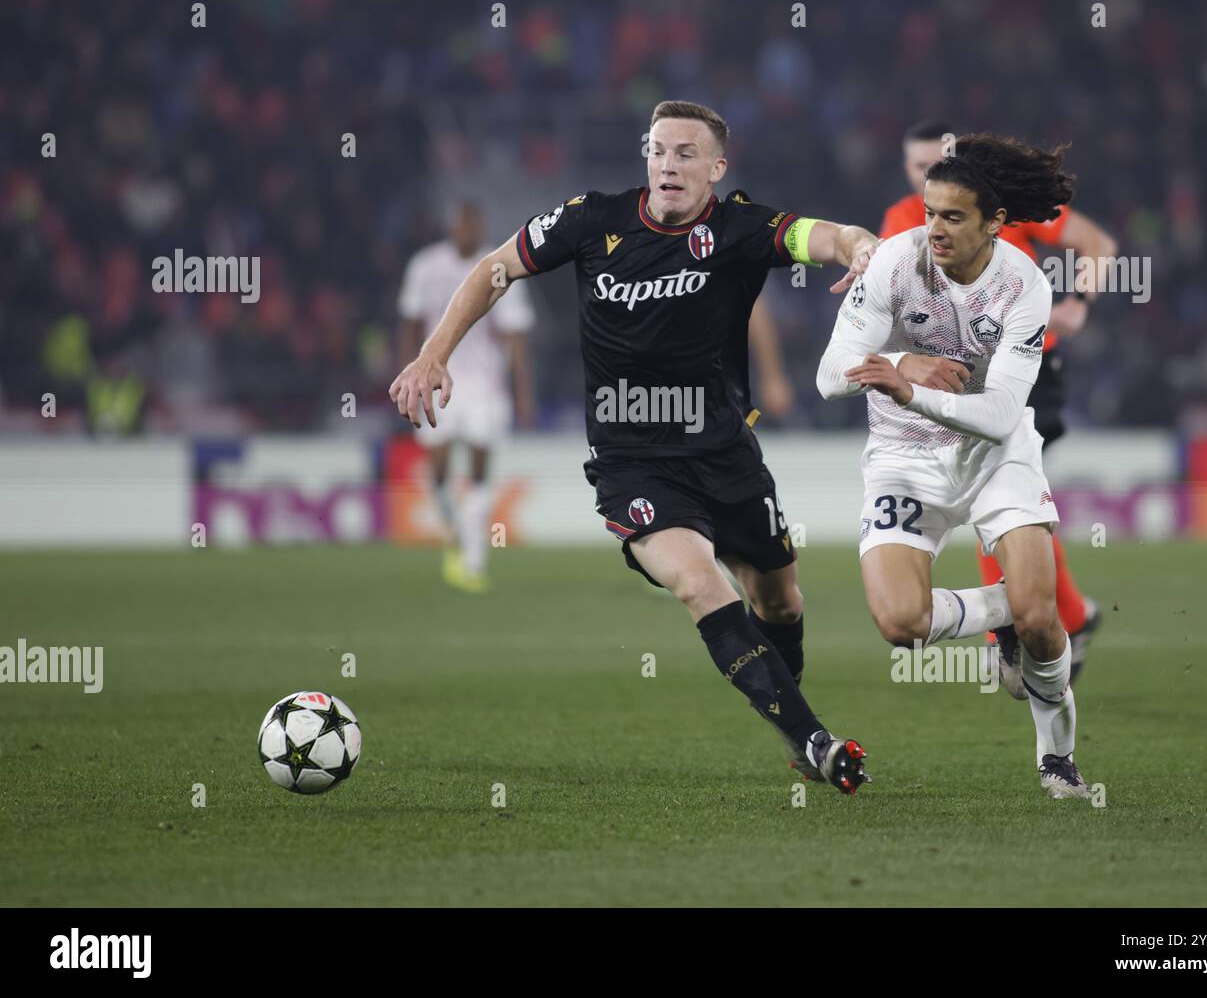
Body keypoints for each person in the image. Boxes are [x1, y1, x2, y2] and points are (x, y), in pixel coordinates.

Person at [390, 101, 881, 793]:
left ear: (717, 167)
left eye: (686, 153)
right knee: (695, 579)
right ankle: (813, 739)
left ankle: (787, 709)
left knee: (781, 601)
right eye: (658, 150)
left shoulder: (738, 227)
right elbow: (496, 268)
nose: (669, 165)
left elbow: (823, 236)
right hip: (632, 462)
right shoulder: (592, 219)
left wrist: (861, 246)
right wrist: (433, 353)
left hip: (724, 454)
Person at [817, 133, 1089, 799]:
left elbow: (999, 415)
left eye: (952, 216)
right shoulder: (892, 263)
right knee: (900, 623)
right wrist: (904, 366)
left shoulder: (1025, 285)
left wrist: (916, 390)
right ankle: (1011, 611)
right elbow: (828, 377)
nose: (932, 228)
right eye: (929, 211)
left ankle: (1057, 757)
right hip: (903, 458)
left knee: (1042, 625)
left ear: (994, 222)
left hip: (996, 454)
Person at [880, 120, 1118, 683]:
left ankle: (1009, 631)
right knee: (1015, 503)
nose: (923, 180)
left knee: (999, 494)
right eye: (914, 169)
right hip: (958, 376)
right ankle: (1072, 615)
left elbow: (1098, 244)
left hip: (1029, 372)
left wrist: (1079, 301)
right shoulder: (901, 223)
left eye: (931, 165)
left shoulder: (998, 209)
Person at [396, 201, 535, 592]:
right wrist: (409, 374)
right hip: (436, 380)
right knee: (438, 472)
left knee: (478, 469)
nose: (468, 231)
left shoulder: (500, 266)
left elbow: (516, 337)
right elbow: (408, 323)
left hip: (484, 386)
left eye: (475, 224)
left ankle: (472, 561)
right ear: (452, 226)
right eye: (462, 223)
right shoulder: (425, 266)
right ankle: (457, 534)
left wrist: (523, 394)